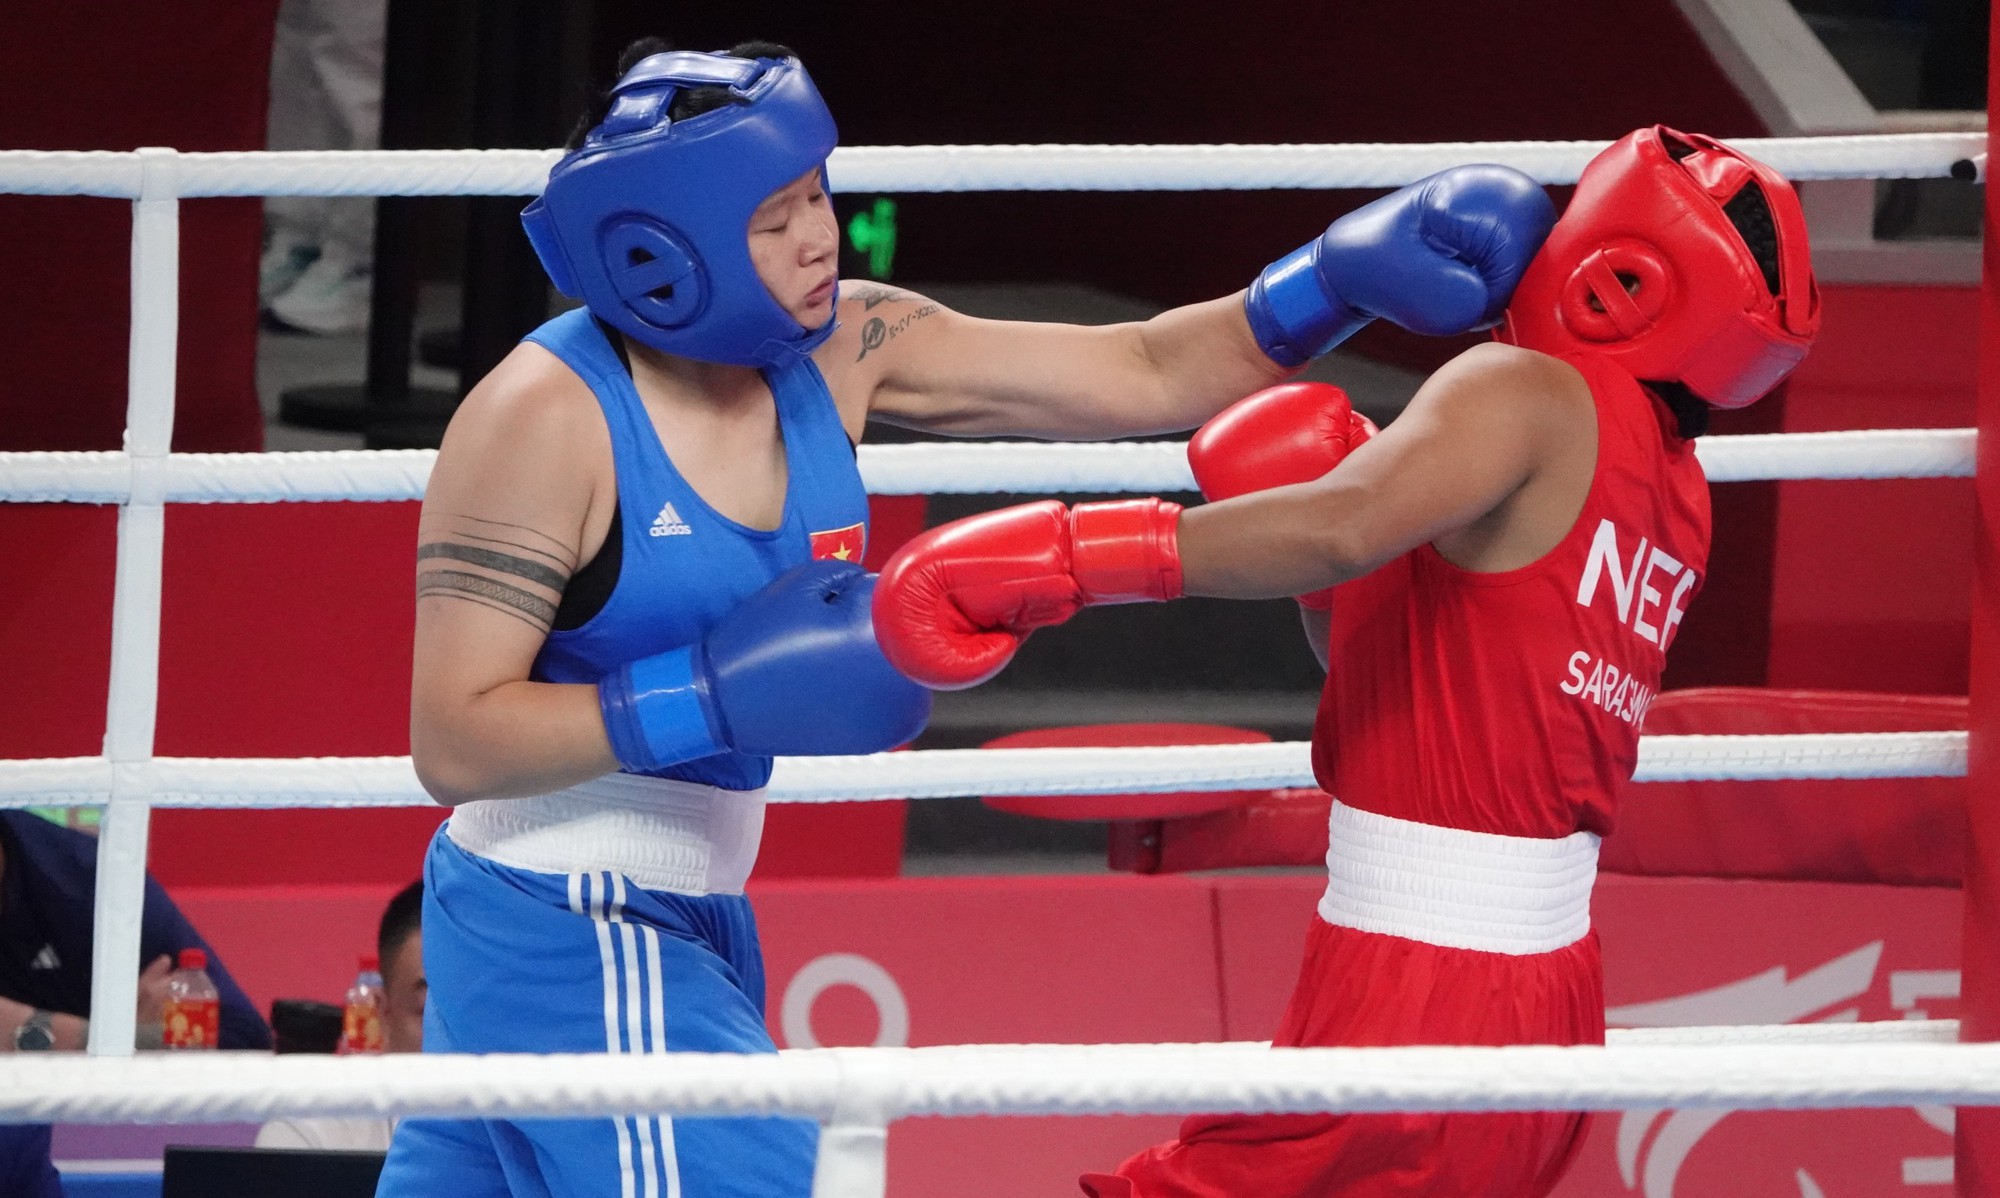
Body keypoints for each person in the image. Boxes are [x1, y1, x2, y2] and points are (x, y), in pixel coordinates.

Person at [375, 33, 1554, 1198]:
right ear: (659, 248)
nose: (819, 236)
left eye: (816, 195)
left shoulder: (843, 344)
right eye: (775, 215)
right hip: (564, 911)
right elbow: (456, 739)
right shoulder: (544, 415)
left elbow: (1141, 369)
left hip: (684, 904)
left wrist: (1331, 281)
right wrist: (714, 689)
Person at [872, 126, 1819, 1197]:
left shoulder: (1522, 391)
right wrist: (1331, 585)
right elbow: (1391, 644)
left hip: (1417, 990)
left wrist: (1070, 552)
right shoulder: (1674, 494)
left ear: (1621, 276)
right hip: (1540, 995)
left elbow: (1340, 525)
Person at [0, 808, 269, 1054]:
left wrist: (127, 1042)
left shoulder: (89, 880)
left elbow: (243, 1040)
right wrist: (128, 1043)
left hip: (100, 1098)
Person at [257, 879, 425, 1152]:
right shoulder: (312, 1133)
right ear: (383, 1013)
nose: (454, 1035)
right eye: (428, 1010)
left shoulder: (520, 1112)